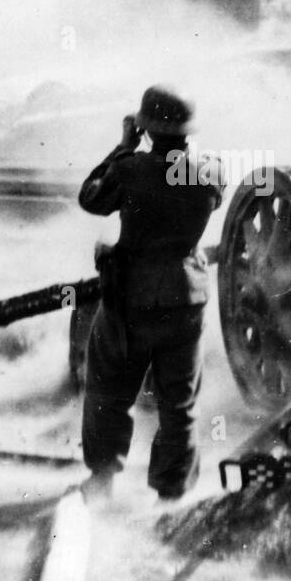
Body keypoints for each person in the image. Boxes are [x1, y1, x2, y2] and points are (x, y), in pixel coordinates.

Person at [77, 85, 224, 503]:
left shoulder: (129, 169)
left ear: (145, 127)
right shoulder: (209, 172)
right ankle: (171, 491)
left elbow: (90, 197)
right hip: (186, 297)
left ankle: (102, 478)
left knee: (109, 388)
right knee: (178, 401)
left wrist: (122, 147)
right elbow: (204, 185)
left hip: (131, 298)